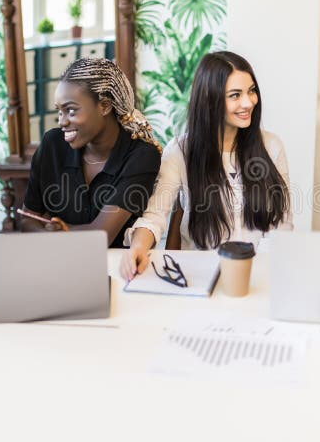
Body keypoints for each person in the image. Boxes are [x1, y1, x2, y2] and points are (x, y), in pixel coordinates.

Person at [119, 51, 293, 280]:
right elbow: (155, 215)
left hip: (256, 274)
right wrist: (138, 248)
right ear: (210, 100)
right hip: (199, 277)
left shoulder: (272, 146)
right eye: (235, 95)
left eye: (251, 91)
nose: (248, 102)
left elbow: (281, 227)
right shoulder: (180, 151)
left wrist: (258, 273)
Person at [21, 58, 162, 247]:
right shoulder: (52, 145)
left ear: (104, 106)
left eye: (71, 110)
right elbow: (27, 218)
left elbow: (101, 236)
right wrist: (48, 234)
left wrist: (55, 234)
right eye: (59, 112)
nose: (62, 121)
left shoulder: (141, 156)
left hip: (116, 270)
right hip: (57, 263)